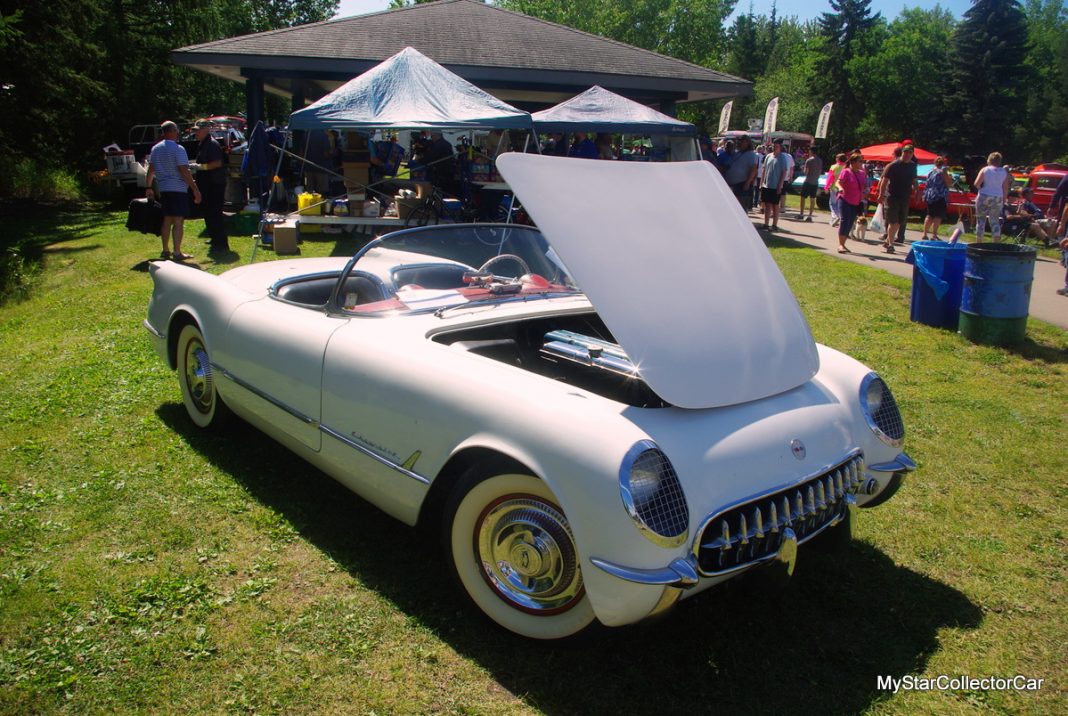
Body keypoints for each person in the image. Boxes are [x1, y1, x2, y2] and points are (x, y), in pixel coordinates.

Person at [145, 120, 201, 261]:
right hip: (178, 188)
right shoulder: (178, 149)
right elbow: (183, 170)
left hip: (164, 188)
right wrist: (195, 188)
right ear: (172, 131)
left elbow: (151, 170)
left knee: (167, 220)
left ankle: (165, 250)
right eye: (176, 130)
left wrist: (148, 187)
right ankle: (177, 252)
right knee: (178, 221)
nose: (178, 132)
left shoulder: (155, 149)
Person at [192, 121, 229, 254]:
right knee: (208, 212)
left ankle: (221, 243)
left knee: (215, 213)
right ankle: (214, 238)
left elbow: (217, 163)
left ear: (206, 129)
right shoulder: (203, 143)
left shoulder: (212, 144)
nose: (196, 133)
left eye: (198, 130)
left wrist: (201, 167)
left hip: (215, 184)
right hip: (207, 184)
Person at [876, 144, 917, 254]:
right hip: (892, 197)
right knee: (893, 221)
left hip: (905, 197)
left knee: (900, 221)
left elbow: (914, 179)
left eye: (910, 152)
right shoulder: (893, 165)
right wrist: (881, 194)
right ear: (902, 152)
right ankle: (891, 244)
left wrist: (917, 191)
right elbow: (884, 180)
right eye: (905, 152)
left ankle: (887, 241)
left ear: (912, 154)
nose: (907, 154)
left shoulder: (913, 166)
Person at [973, 151, 1010, 242]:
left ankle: (979, 242)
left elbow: (976, 183)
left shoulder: (985, 169)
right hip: (998, 197)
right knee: (994, 220)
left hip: (984, 195)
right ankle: (996, 242)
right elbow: (1005, 188)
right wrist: (1004, 199)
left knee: (981, 220)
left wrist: (980, 189)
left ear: (989, 160)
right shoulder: (1004, 172)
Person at [834, 153, 867, 253]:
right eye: (860, 161)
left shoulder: (862, 173)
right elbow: (838, 182)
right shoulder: (846, 172)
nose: (861, 163)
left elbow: (863, 186)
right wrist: (840, 188)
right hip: (844, 199)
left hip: (856, 201)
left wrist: (866, 191)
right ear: (853, 162)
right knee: (845, 220)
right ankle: (840, 245)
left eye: (862, 161)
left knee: (850, 222)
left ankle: (843, 244)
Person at [722, 135, 759, 209]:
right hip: (732, 185)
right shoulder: (737, 153)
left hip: (741, 185)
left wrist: (748, 183)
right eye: (738, 141)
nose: (739, 143)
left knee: (740, 208)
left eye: (742, 141)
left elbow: (753, 169)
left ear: (747, 143)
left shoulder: (751, 154)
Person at [760, 139, 789, 231]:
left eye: (777, 146)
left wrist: (780, 185)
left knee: (775, 205)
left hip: (776, 185)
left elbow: (784, 172)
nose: (775, 147)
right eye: (773, 146)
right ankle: (766, 224)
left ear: (780, 147)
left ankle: (774, 225)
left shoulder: (782, 158)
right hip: (767, 185)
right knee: (767, 204)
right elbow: (764, 169)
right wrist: (761, 183)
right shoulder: (768, 156)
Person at [921, 156, 951, 240]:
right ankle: (934, 234)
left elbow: (927, 183)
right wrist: (950, 177)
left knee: (930, 214)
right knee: (938, 216)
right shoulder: (942, 171)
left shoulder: (931, 171)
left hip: (930, 195)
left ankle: (925, 233)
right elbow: (948, 183)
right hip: (940, 195)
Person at [797, 148, 823, 222]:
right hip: (815, 182)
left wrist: (803, 168)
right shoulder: (820, 161)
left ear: (811, 152)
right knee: (812, 199)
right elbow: (819, 172)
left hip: (808, 181)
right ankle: (810, 215)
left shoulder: (809, 160)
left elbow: (806, 172)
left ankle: (801, 214)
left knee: (803, 197)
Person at [825, 153, 847, 226]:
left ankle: (835, 217)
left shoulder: (834, 167)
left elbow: (830, 178)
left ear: (838, 159)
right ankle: (840, 216)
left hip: (834, 187)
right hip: (843, 188)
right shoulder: (846, 167)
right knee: (839, 204)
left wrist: (826, 187)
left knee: (832, 203)